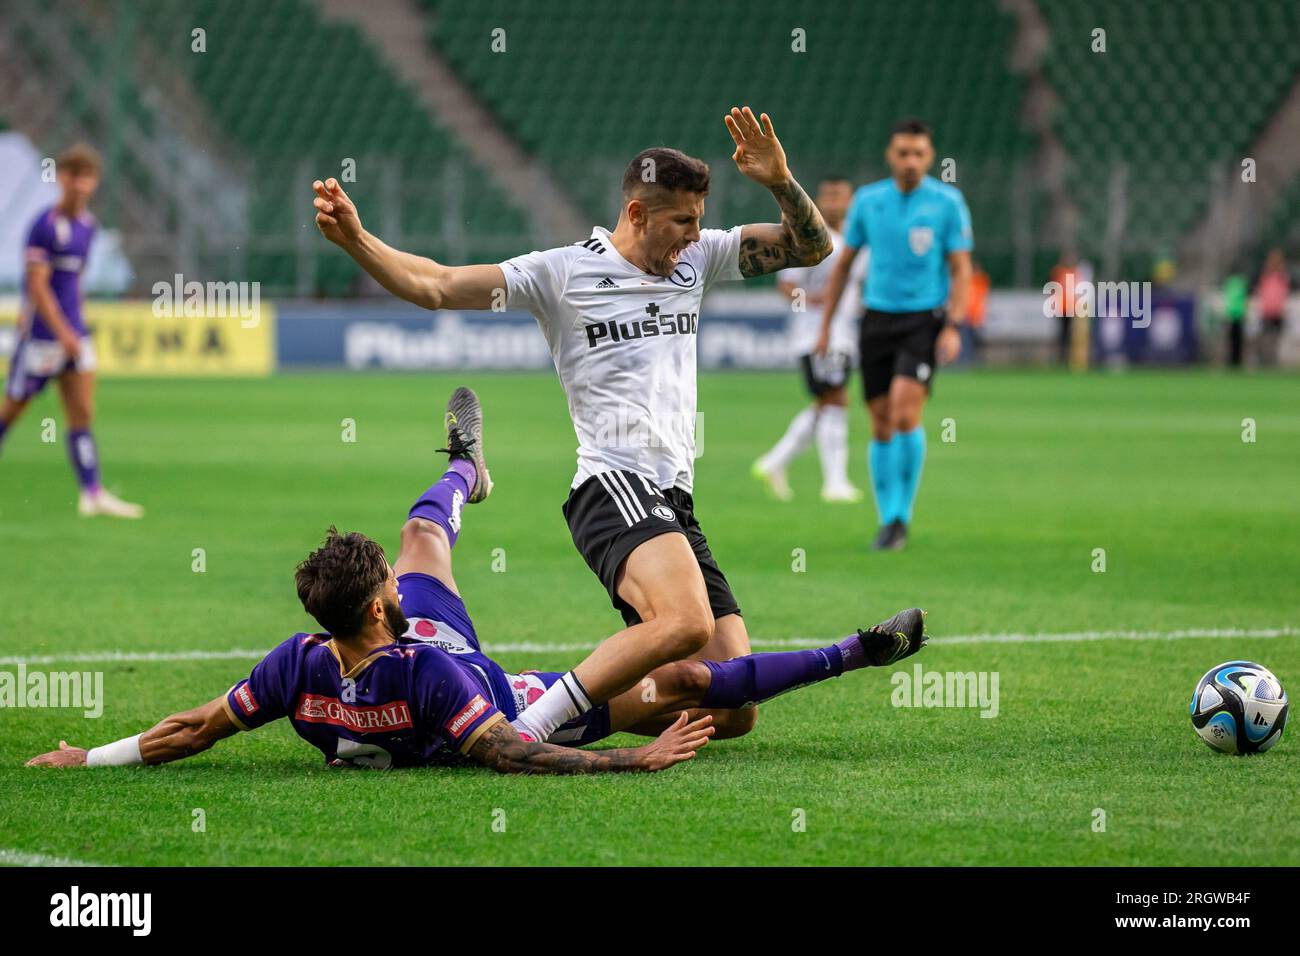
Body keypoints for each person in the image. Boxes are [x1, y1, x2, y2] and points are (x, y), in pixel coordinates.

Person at [310, 105, 858, 748]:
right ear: (637, 213)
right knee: (686, 622)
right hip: (612, 484)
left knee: (730, 708)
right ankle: (528, 726)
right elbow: (437, 285)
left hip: (673, 499)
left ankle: (528, 700)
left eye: (699, 220)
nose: (694, 235)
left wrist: (779, 181)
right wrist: (358, 239)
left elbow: (812, 248)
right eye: (682, 222)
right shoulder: (563, 273)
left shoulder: (699, 259)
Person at [26, 388, 928, 773]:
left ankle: (467, 469)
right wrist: (630, 762)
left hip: (431, 650)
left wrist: (92, 758)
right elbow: (511, 752)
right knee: (699, 686)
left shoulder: (297, 662)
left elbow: (197, 727)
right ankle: (855, 652)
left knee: (427, 528)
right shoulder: (425, 672)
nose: (395, 577)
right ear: (379, 602)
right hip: (515, 699)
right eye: (388, 579)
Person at [814, 119, 973, 551]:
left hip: (924, 320)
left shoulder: (947, 203)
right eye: (903, 153)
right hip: (876, 321)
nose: (910, 161)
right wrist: (826, 326)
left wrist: (954, 325)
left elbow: (961, 269)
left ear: (930, 156)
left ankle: (901, 516)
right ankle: (887, 519)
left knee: (905, 412)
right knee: (881, 420)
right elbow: (844, 267)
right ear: (890, 155)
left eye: (918, 153)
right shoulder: (868, 201)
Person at [0, 144, 143, 518]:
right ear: (61, 178)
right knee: (12, 410)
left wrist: (77, 326)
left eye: (87, 177)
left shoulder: (88, 228)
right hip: (43, 338)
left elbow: (74, 282)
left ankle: (92, 493)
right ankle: (92, 492)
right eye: (74, 176)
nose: (80, 185)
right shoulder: (44, 226)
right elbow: (38, 287)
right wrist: (62, 331)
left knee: (81, 412)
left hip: (74, 335)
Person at [752, 175, 865, 503]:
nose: (832, 202)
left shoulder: (856, 237)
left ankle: (774, 462)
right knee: (835, 399)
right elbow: (786, 284)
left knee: (828, 402)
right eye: (827, 195)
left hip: (844, 332)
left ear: (850, 200)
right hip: (816, 334)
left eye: (839, 195)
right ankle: (834, 482)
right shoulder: (812, 236)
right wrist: (811, 299)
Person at [1254, 249, 1289, 368]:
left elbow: (1284, 292)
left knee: (1275, 338)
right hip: (1266, 311)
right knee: (1265, 337)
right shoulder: (1265, 275)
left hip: (1277, 311)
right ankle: (1264, 360)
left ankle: (1273, 361)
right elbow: (1261, 291)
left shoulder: (1282, 276)